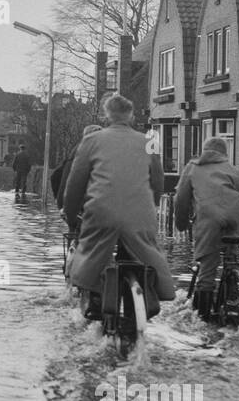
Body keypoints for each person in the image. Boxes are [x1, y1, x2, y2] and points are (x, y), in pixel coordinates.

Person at [61, 94, 176, 316]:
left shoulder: (91, 141)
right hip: (140, 213)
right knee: (146, 254)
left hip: (102, 212)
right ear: (131, 116)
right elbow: (158, 178)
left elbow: (75, 184)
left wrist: (71, 214)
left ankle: (95, 299)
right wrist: (150, 206)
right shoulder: (149, 142)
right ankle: (149, 295)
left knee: (93, 253)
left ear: (107, 116)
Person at [174, 137, 239, 321]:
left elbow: (181, 200)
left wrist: (181, 223)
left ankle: (202, 321)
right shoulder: (233, 170)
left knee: (207, 272)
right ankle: (233, 296)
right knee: (232, 258)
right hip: (236, 218)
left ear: (204, 151)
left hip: (209, 220)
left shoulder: (193, 168)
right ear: (224, 154)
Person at [51, 124, 101, 208]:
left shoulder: (76, 150)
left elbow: (55, 175)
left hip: (73, 207)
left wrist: (58, 199)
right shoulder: (86, 152)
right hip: (83, 207)